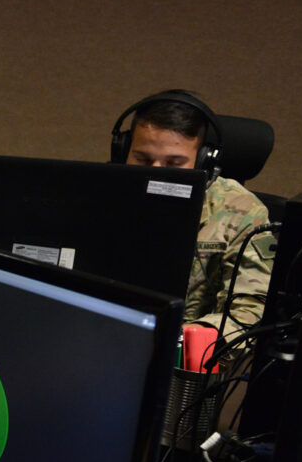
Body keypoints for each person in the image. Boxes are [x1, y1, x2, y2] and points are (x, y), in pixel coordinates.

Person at [114, 90, 276, 342]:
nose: (156, 174)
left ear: (203, 162)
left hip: (183, 361)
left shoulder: (242, 212)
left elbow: (251, 310)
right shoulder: (100, 195)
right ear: (123, 151)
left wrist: (180, 343)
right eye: (143, 159)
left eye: (174, 163)